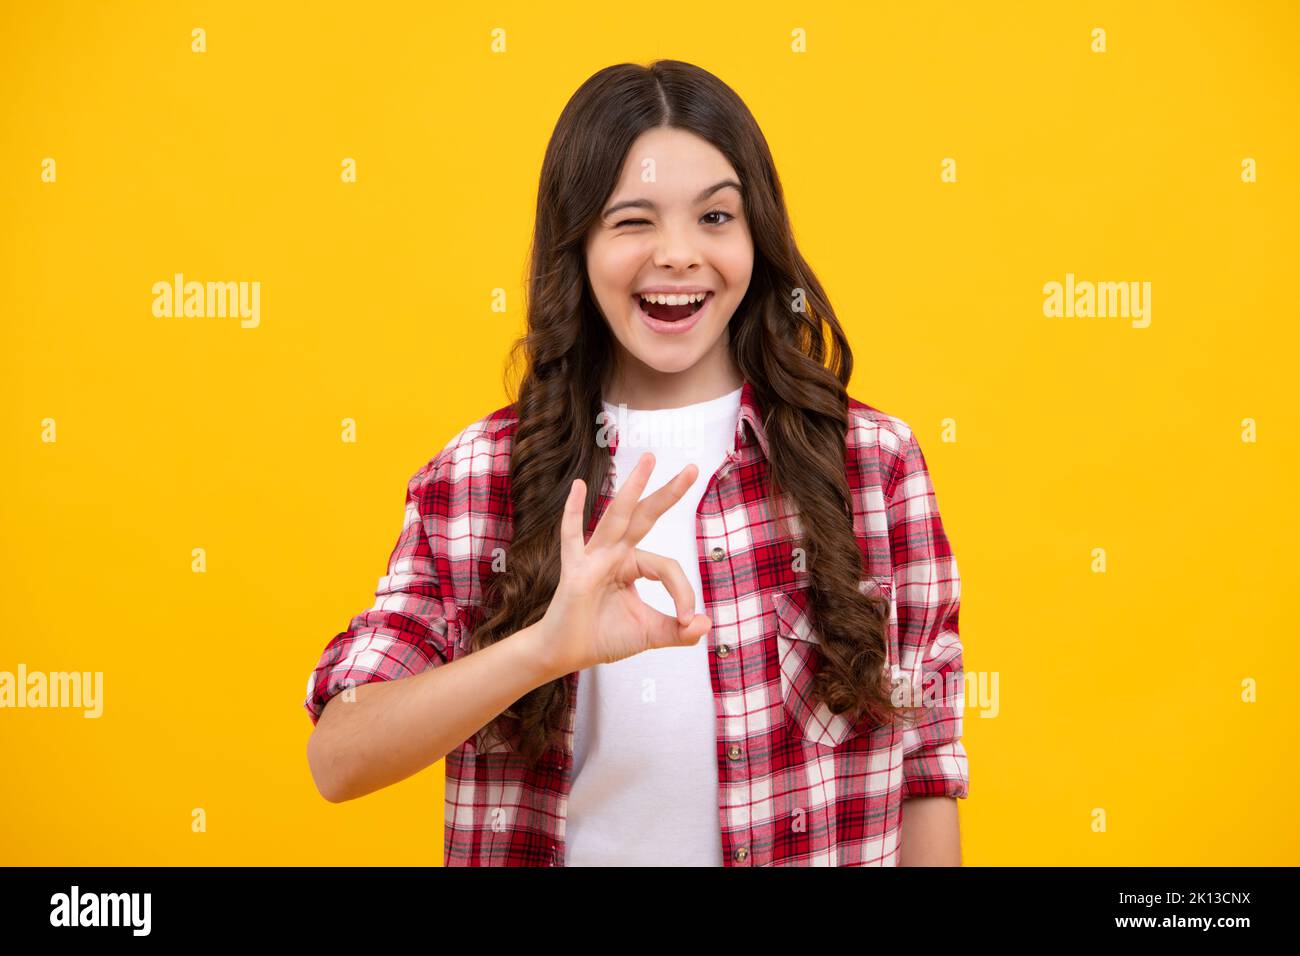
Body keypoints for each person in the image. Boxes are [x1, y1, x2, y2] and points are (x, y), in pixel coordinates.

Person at [303, 59, 967, 866]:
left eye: (716, 217)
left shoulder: (873, 465)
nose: (680, 254)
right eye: (633, 221)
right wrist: (540, 650)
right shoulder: (478, 477)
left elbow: (926, 764)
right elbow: (339, 758)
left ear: (758, 233)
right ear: (576, 245)